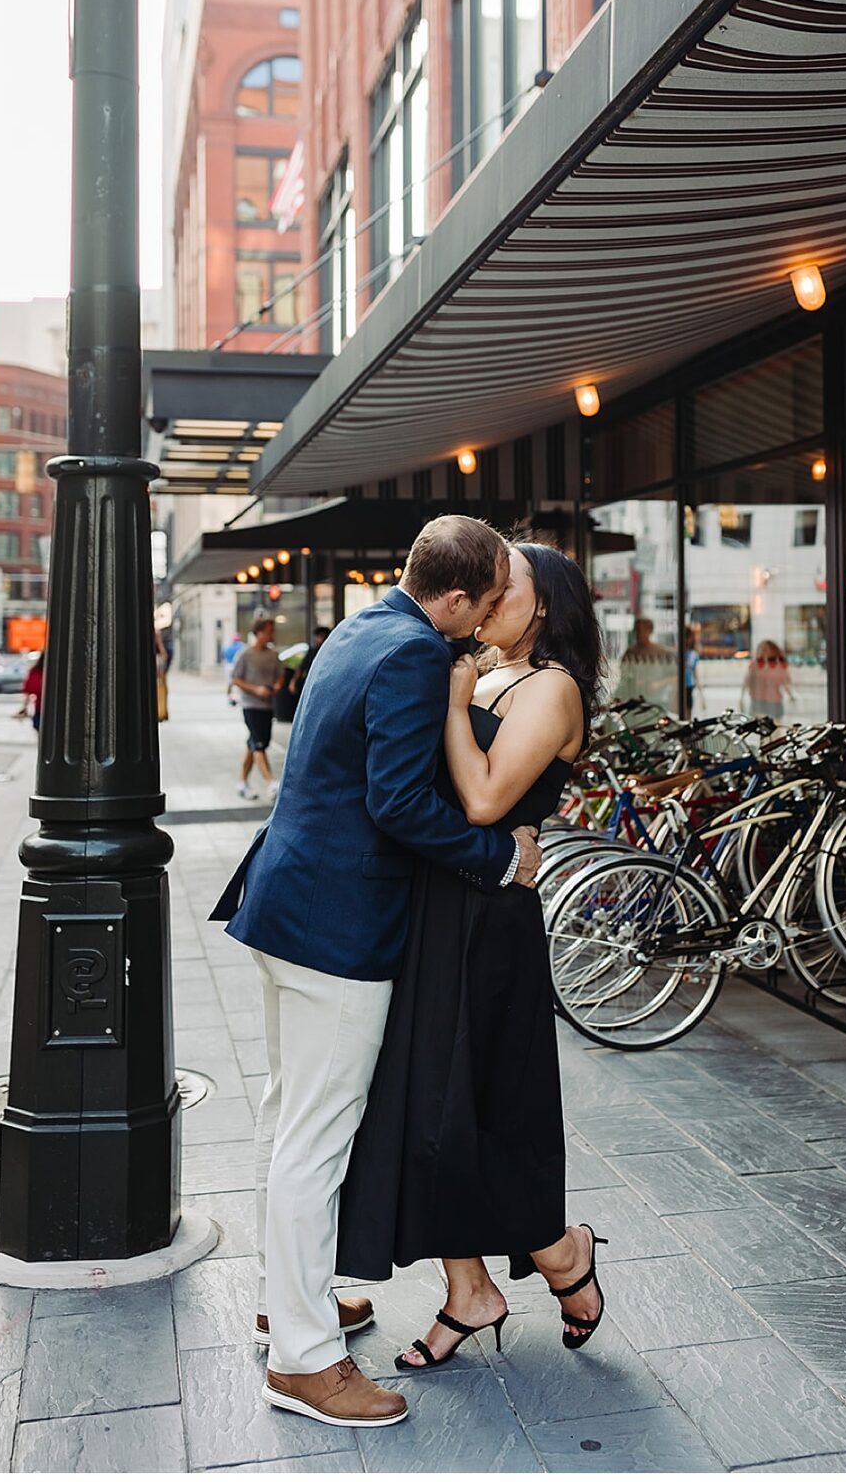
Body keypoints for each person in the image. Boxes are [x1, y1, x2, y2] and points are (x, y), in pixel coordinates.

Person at [208, 517, 543, 1431]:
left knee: (290, 1122)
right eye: (491, 601)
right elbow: (396, 803)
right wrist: (494, 858)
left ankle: (293, 1304)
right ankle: (305, 1362)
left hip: (285, 903)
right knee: (315, 1139)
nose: (489, 621)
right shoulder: (412, 655)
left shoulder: (361, 627)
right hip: (338, 928)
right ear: (460, 599)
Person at [337, 540, 610, 1369]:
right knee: (427, 1104)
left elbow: (486, 795)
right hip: (439, 900)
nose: (490, 598)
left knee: (483, 1105)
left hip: (490, 920)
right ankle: (469, 1288)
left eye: (508, 587)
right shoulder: (476, 666)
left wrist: (454, 705)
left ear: (546, 605)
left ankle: (560, 1251)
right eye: (487, 587)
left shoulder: (550, 687)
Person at [231, 618, 286, 800]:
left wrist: (277, 686)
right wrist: (256, 689)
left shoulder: (273, 655)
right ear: (259, 633)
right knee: (259, 744)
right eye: (270, 631)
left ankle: (242, 782)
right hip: (250, 705)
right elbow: (236, 679)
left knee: (254, 743)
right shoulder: (245, 655)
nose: (272, 634)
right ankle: (271, 782)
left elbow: (280, 675)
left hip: (268, 705)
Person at [741, 639, 795, 721]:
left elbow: (785, 682)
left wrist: (791, 695)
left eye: (766, 649)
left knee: (776, 726)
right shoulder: (754, 665)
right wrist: (742, 695)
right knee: (757, 724)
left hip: (774, 701)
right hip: (757, 700)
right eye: (761, 649)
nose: (763, 651)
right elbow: (747, 680)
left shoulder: (779, 667)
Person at [289, 626, 331, 699]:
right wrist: (294, 681)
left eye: (320, 636)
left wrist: (293, 682)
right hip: (312, 683)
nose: (318, 639)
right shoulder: (313, 651)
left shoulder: (330, 651)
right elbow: (302, 667)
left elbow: (301, 668)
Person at [16, 652, 44, 731]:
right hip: (41, 709)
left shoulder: (35, 672)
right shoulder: (36, 673)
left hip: (40, 708)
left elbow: (29, 692)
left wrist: (24, 707)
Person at [683, 625, 704, 717]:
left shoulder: (693, 654)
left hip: (688, 686)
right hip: (678, 687)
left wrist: (702, 697)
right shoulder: (676, 653)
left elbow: (696, 675)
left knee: (688, 713)